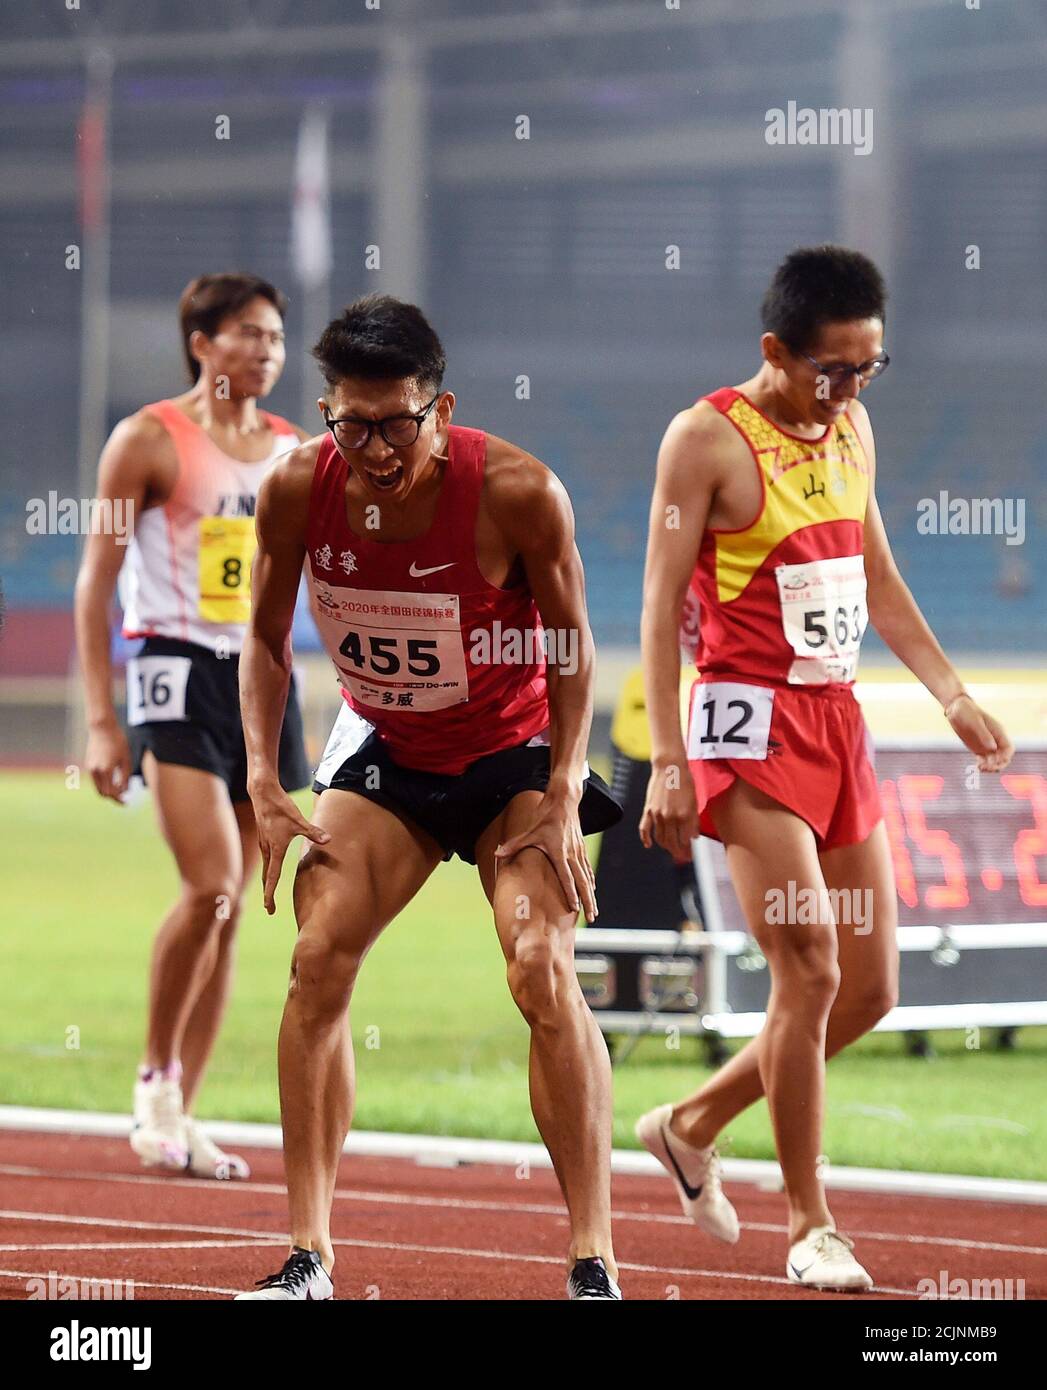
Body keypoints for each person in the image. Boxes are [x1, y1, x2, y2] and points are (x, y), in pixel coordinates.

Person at [636, 245, 1013, 1290]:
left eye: (867, 369)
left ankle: (691, 1121)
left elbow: (876, 574)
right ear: (775, 350)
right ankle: (812, 1224)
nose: (846, 389)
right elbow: (659, 601)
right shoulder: (704, 437)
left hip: (833, 722)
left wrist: (950, 692)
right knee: (809, 967)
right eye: (830, 370)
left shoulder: (852, 427)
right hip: (743, 728)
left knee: (871, 988)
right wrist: (668, 759)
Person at [235, 293, 623, 1300]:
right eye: (349, 423)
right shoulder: (292, 489)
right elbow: (266, 643)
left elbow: (574, 645)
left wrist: (564, 782)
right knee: (316, 957)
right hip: (391, 748)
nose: (371, 446)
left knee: (540, 967)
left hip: (514, 752)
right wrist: (262, 776)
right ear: (327, 410)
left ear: (439, 409)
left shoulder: (519, 491)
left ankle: (592, 1259)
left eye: (395, 423)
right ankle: (308, 1256)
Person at [74, 273, 312, 1180]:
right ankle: (152, 1082)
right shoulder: (146, 439)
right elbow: (96, 578)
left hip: (261, 680)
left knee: (239, 908)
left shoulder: (293, 450)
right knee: (210, 884)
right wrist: (103, 721)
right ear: (201, 343)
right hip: (173, 667)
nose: (266, 352)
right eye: (248, 334)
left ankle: (184, 1107)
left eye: (276, 338)